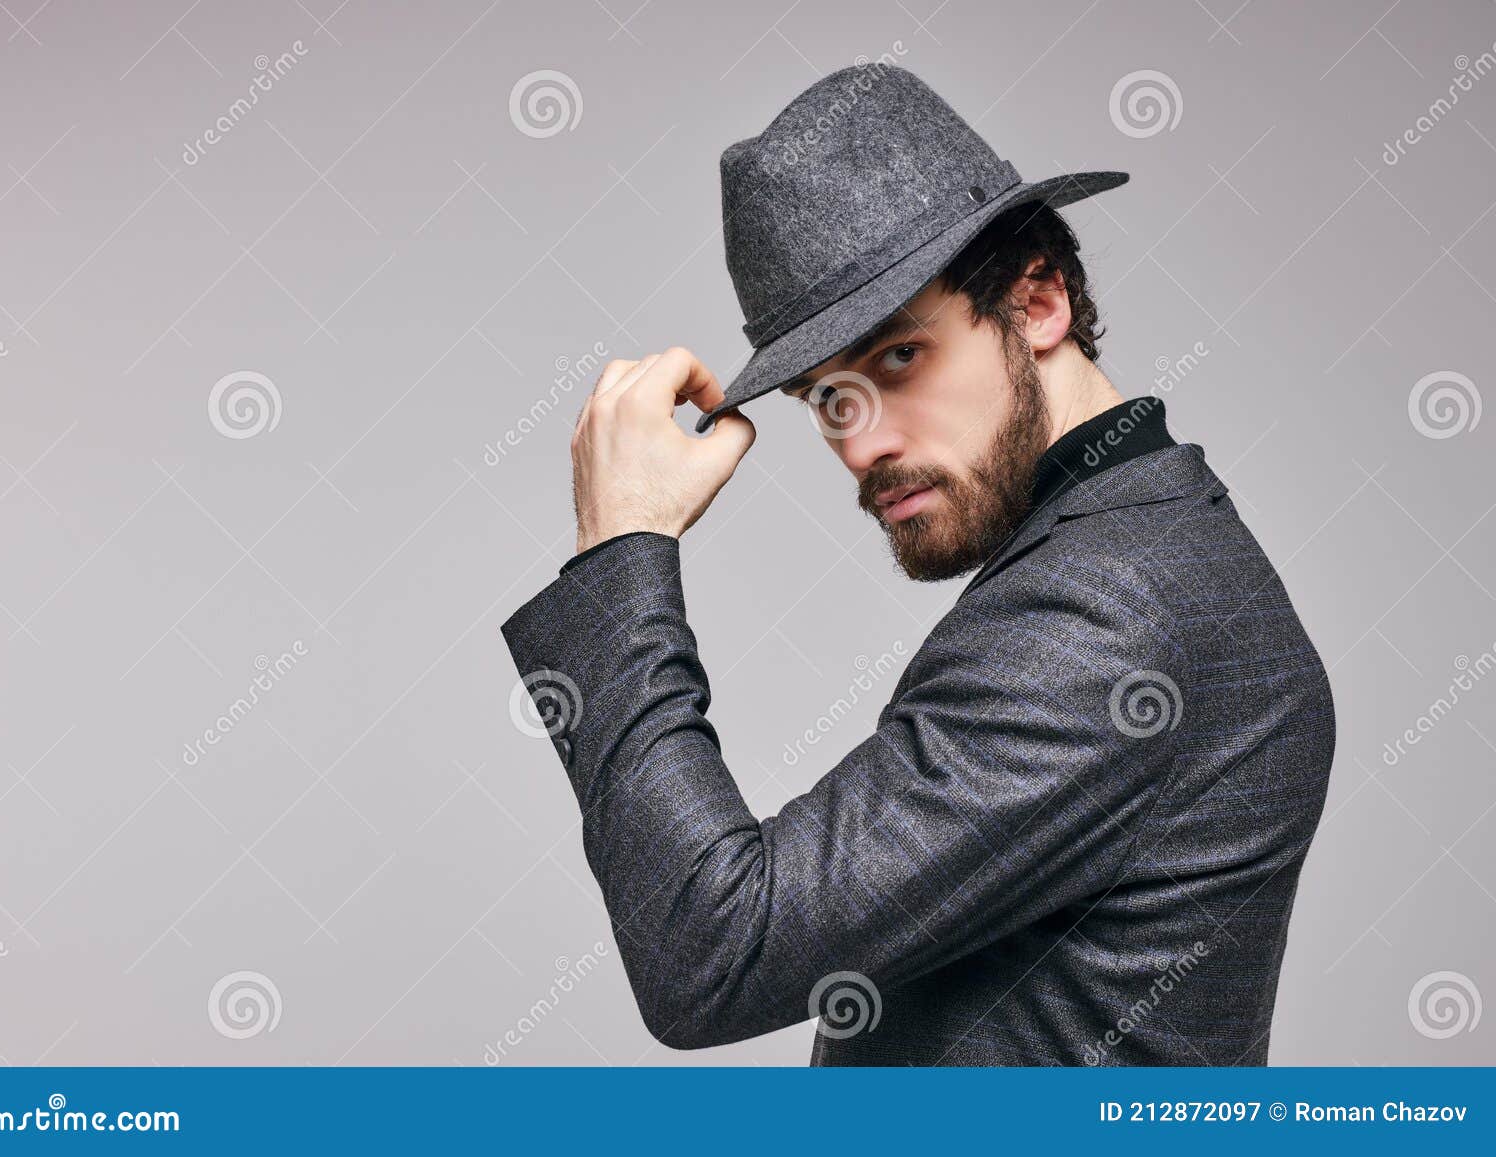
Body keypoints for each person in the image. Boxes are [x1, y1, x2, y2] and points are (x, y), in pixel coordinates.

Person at [501, 65, 1335, 1065]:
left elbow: (709, 949)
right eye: (824, 397)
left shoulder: (1100, 616)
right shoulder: (1148, 544)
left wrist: (620, 551)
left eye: (898, 357)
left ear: (1036, 303)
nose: (859, 444)